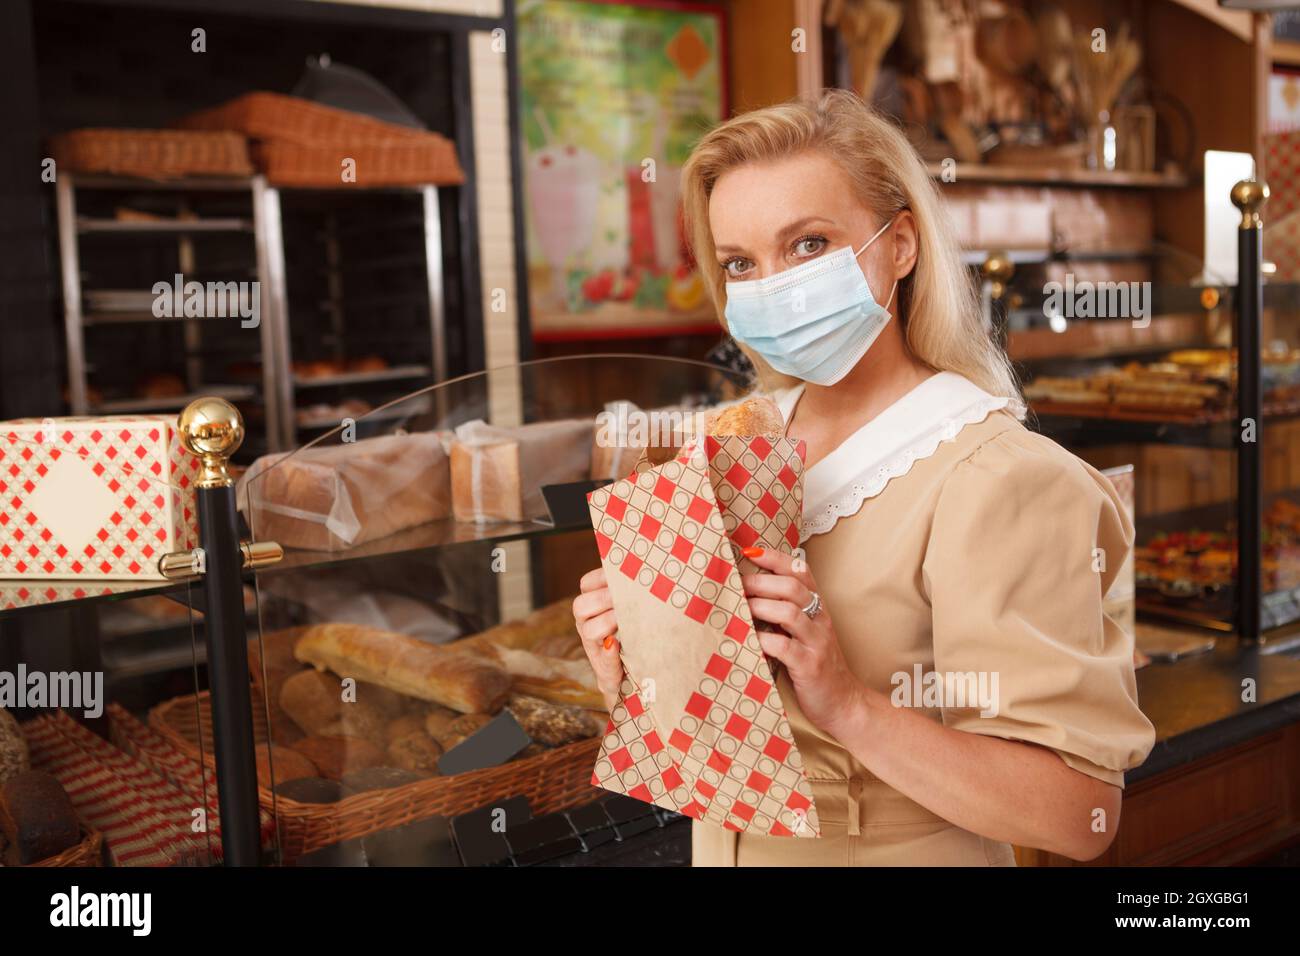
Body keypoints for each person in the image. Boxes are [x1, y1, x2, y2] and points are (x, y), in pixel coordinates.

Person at [572, 89, 1155, 866]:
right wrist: (637, 669)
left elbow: (1077, 815)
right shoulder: (725, 449)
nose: (771, 285)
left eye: (808, 245)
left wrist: (849, 705)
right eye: (741, 262)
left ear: (902, 244)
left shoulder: (1002, 481)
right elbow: (722, 750)